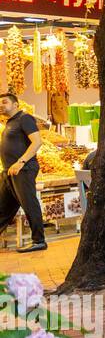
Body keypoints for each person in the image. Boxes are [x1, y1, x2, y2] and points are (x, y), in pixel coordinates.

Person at [0, 93, 46, 252]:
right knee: (3, 207)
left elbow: (37, 141)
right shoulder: (10, 122)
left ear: (15, 104)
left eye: (4, 102)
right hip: (9, 171)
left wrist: (21, 162)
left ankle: (39, 241)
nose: (1, 105)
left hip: (23, 169)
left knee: (29, 204)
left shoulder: (24, 118)